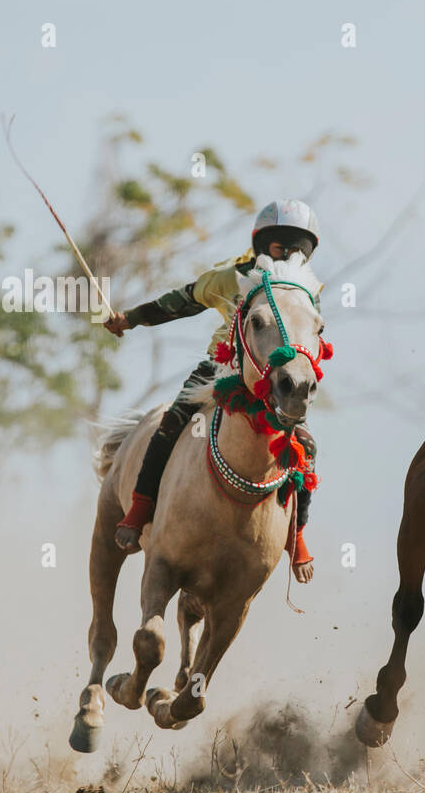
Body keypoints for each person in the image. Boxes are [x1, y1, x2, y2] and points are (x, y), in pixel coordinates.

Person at [103, 199, 322, 582]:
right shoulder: (231, 276)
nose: (287, 254)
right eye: (278, 246)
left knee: (305, 447)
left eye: (296, 248)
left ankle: (296, 533)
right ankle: (139, 508)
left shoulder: (308, 289)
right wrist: (132, 319)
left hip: (275, 379)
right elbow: (182, 302)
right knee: (172, 421)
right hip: (222, 368)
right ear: (261, 245)